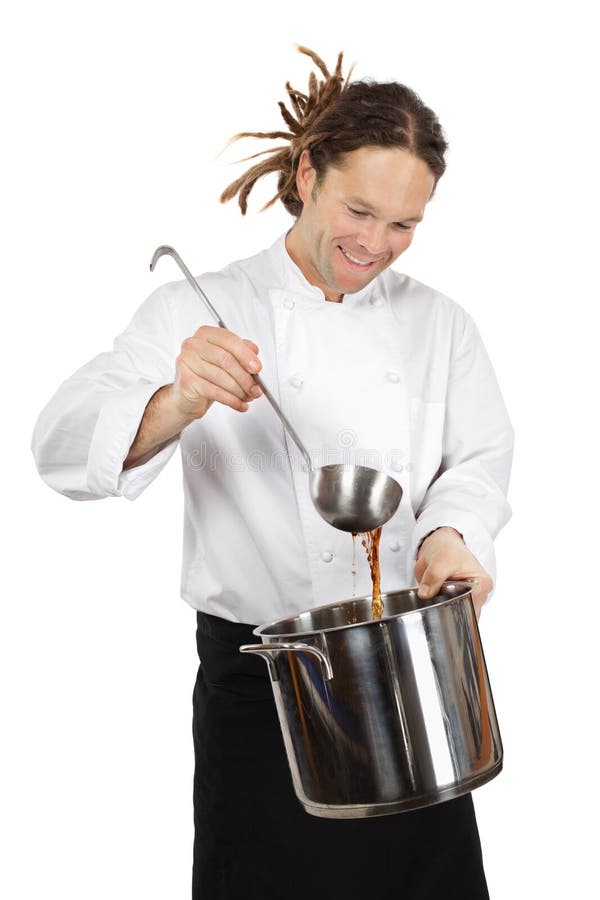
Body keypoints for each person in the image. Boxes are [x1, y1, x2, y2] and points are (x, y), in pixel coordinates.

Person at [32, 46, 513, 899]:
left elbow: (476, 461)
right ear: (306, 174)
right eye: (359, 210)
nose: (376, 244)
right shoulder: (201, 307)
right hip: (264, 692)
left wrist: (451, 535)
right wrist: (175, 399)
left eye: (404, 225)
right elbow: (59, 447)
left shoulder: (442, 326)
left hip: (410, 671)